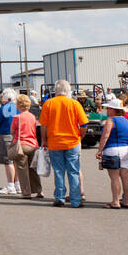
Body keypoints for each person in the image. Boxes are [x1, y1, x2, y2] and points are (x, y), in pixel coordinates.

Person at [40, 79, 88, 208]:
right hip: (72, 142)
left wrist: (44, 140)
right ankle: (76, 200)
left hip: (54, 142)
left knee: (58, 171)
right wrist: (81, 135)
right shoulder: (74, 103)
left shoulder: (48, 104)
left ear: (55, 90)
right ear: (68, 90)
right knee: (73, 171)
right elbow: (84, 124)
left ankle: (59, 198)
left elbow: (43, 125)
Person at [96, 97, 128, 208]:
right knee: (125, 176)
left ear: (114, 109)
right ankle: (126, 201)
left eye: (108, 108)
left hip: (113, 149)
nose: (107, 110)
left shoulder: (111, 120)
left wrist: (100, 150)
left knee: (114, 177)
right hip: (126, 149)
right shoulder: (126, 120)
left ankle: (115, 201)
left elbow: (105, 135)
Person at [9, 94, 43, 199]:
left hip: (21, 145)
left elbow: (12, 131)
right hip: (33, 144)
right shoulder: (32, 117)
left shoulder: (17, 117)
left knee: (22, 169)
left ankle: (26, 192)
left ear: (18, 105)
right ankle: (39, 191)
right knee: (33, 169)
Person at [0, 88, 19, 194]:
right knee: (16, 160)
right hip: (16, 135)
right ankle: (17, 184)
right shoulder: (17, 107)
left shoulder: (3, 108)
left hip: (5, 135)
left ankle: (10, 185)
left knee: (8, 162)